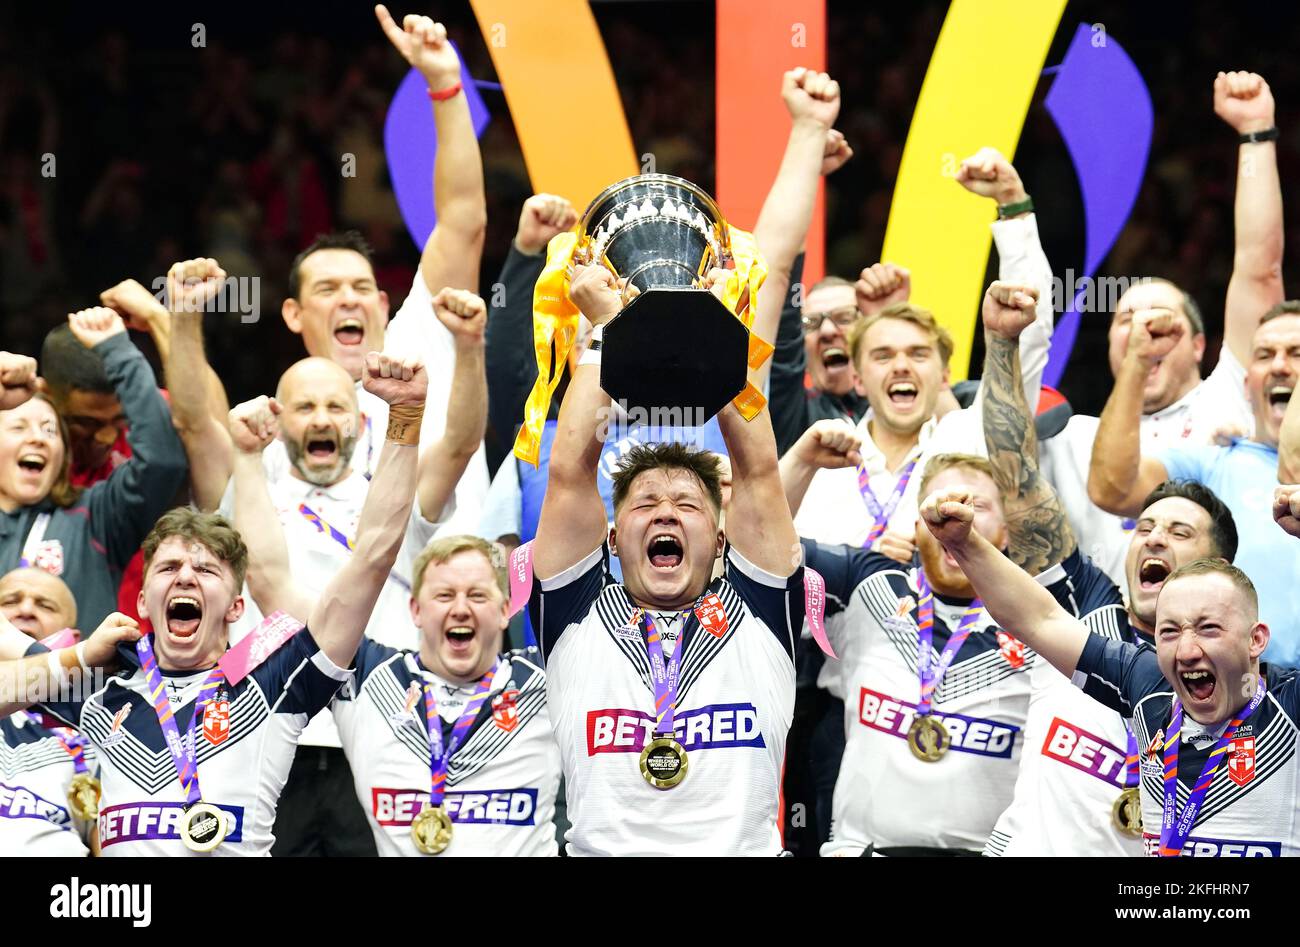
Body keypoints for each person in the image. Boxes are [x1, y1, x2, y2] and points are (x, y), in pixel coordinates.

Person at [18, 351, 431, 855]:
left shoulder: (275, 683)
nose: (186, 577)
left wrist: (405, 419)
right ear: (143, 603)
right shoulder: (102, 682)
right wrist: (77, 659)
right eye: (168, 569)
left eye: (206, 570)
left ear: (237, 607)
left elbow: (372, 557)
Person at [528, 264, 805, 856]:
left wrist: (708, 332)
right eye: (645, 503)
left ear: (723, 538)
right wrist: (607, 330)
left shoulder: (761, 612)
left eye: (687, 504)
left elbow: (757, 468)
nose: (665, 514)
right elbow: (571, 467)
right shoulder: (576, 614)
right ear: (610, 536)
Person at [976, 280, 1241, 856]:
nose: (1154, 540)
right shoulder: (1080, 606)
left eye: (1179, 532)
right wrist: (1001, 342)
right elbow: (1014, 475)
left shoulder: (1247, 690)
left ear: (1217, 566)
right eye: (1144, 528)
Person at [225, 287, 488, 856]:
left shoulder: (393, 501)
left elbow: (463, 443)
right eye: (304, 406)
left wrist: (469, 348)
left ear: (359, 421)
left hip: (380, 735)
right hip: (270, 734)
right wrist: (243, 454)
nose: (321, 418)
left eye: (336, 406)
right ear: (279, 417)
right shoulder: (251, 492)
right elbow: (265, 582)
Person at [919, 492, 1296, 857]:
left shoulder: (1290, 703)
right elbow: (1037, 619)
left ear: (1256, 639)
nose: (1186, 651)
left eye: (1208, 628)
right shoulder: (1149, 684)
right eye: (1169, 632)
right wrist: (965, 542)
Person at [1043, 70, 1283, 586]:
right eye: (1126, 321)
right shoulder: (1069, 437)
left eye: (1161, 321)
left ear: (1200, 344)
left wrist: (1256, 133)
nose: (1142, 332)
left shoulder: (1238, 394)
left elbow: (1259, 268)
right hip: (1109, 650)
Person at [271, 7, 491, 537]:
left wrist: (443, 85)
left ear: (384, 305)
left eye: (362, 287)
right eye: (328, 289)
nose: (349, 299)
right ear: (294, 315)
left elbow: (464, 220)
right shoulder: (285, 423)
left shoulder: (422, 337)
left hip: (464, 610)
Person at [244, 523, 559, 857]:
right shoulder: (367, 675)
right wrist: (246, 467)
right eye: (444, 595)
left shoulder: (546, 677)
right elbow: (269, 583)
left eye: (478, 595)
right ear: (416, 610)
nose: (461, 608)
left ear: (505, 610)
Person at [1086, 303, 1300, 665]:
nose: (1280, 365)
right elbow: (1112, 488)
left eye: (1297, 353)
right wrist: (1139, 360)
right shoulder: (1211, 462)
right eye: (1265, 355)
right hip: (1239, 696)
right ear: (1247, 386)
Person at [0, 311, 188, 631]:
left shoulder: (96, 516)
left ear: (63, 452)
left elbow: (162, 462)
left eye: (49, 430)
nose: (36, 438)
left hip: (88, 681)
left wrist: (118, 349)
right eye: (18, 427)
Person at [0, 568, 97, 855]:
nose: (26, 610)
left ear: (74, 638)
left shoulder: (96, 723)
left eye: (45, 605)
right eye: (9, 601)